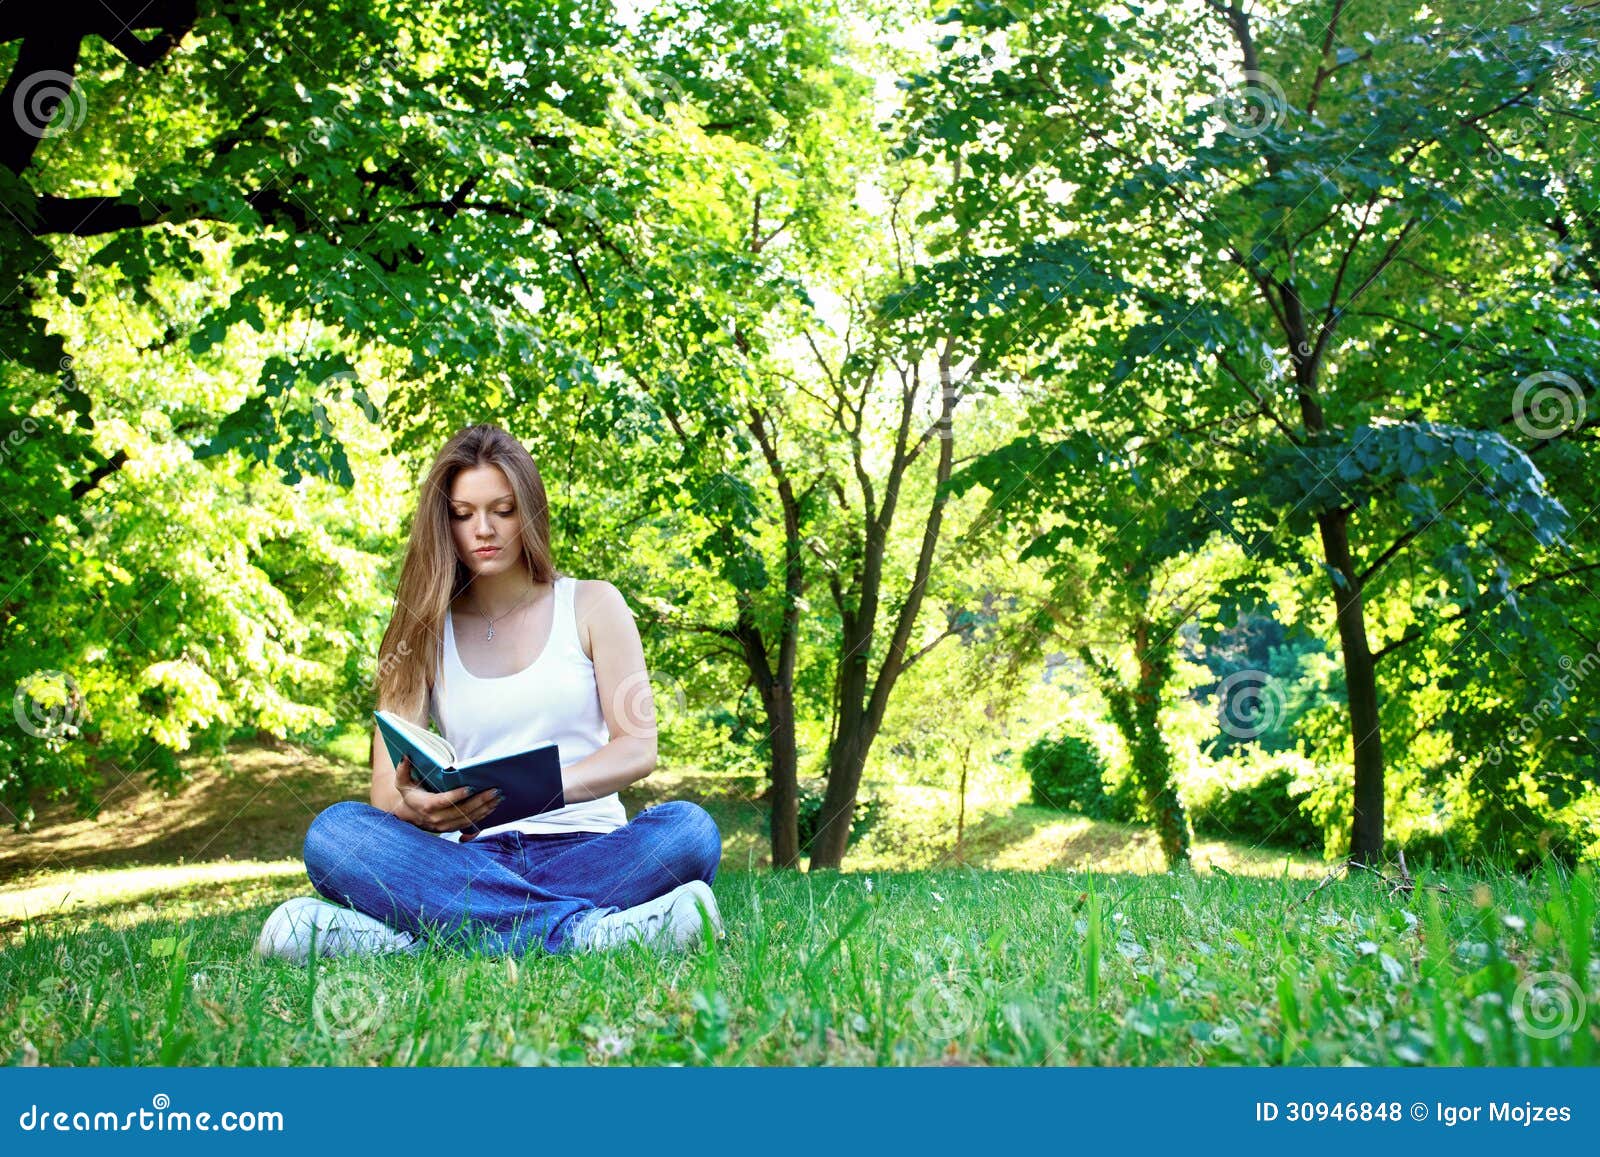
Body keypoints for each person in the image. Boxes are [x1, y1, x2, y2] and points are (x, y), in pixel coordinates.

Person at [254, 423, 724, 964]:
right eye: (462, 514)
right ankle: (588, 934)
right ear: (443, 522)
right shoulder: (421, 629)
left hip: (590, 850)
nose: (483, 530)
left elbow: (637, 748)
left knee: (689, 830)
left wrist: (537, 790)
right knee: (335, 834)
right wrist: (418, 808)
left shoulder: (594, 605)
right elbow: (385, 795)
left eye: (503, 510)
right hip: (467, 860)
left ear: (530, 512)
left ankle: (417, 941)